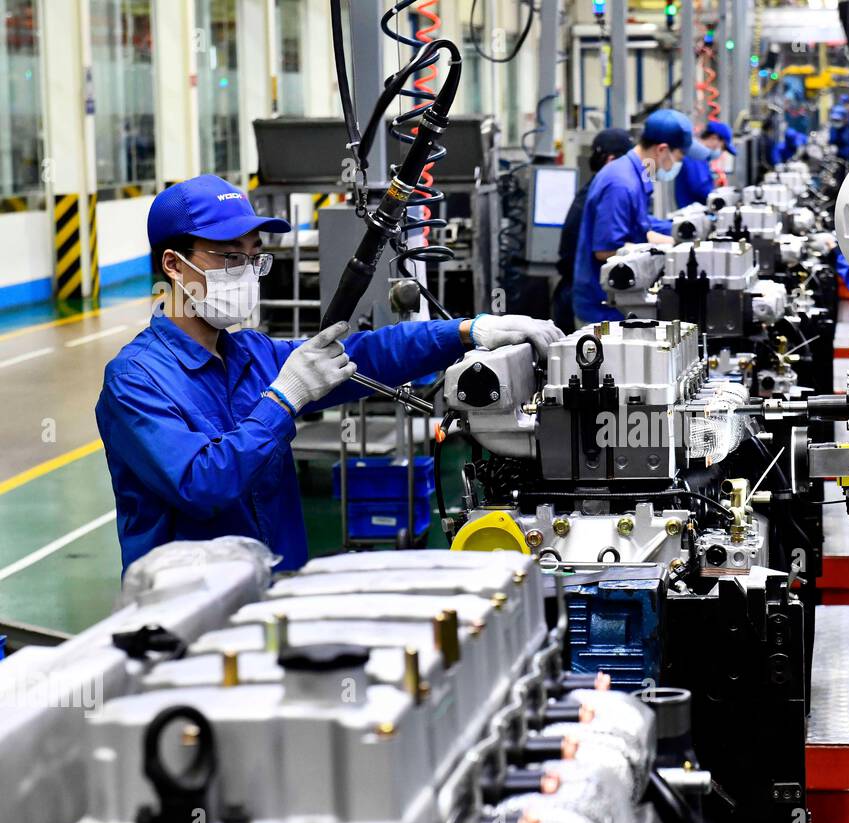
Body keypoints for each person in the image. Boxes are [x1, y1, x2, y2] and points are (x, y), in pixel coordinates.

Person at [96, 175, 562, 574]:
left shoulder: (249, 352)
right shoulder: (135, 381)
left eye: (253, 256)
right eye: (229, 257)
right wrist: (283, 401)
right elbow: (203, 484)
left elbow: (368, 353)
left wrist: (468, 331)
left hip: (274, 593)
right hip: (186, 619)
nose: (246, 273)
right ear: (175, 266)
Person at [571, 108, 710, 326]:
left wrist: (677, 241)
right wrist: (657, 252)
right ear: (662, 149)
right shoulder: (621, 184)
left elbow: (639, 229)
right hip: (603, 311)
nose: (678, 164)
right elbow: (605, 250)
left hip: (621, 301)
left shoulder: (635, 175)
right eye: (679, 157)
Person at [552, 128, 634, 332]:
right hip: (585, 299)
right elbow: (604, 250)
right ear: (612, 161)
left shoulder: (596, 188)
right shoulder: (609, 194)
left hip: (578, 293)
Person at [675, 120, 734, 209]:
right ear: (714, 138)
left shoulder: (701, 157)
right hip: (693, 214)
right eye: (722, 147)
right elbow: (700, 188)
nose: (721, 152)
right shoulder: (695, 155)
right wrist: (720, 197)